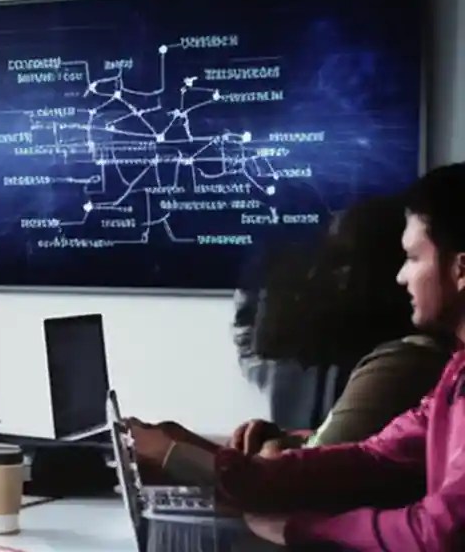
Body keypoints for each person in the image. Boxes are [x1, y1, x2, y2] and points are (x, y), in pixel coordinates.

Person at [130, 162, 465, 549]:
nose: (401, 276)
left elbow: (438, 533)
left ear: (460, 269)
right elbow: (374, 457)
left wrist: (298, 527)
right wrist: (186, 457)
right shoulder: (455, 373)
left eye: (413, 258)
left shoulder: (413, 365)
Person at [217, 194, 451, 463]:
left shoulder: (404, 362)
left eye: (342, 261)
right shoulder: (319, 350)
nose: (322, 276)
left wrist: (274, 453)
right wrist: (289, 439)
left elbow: (309, 474)